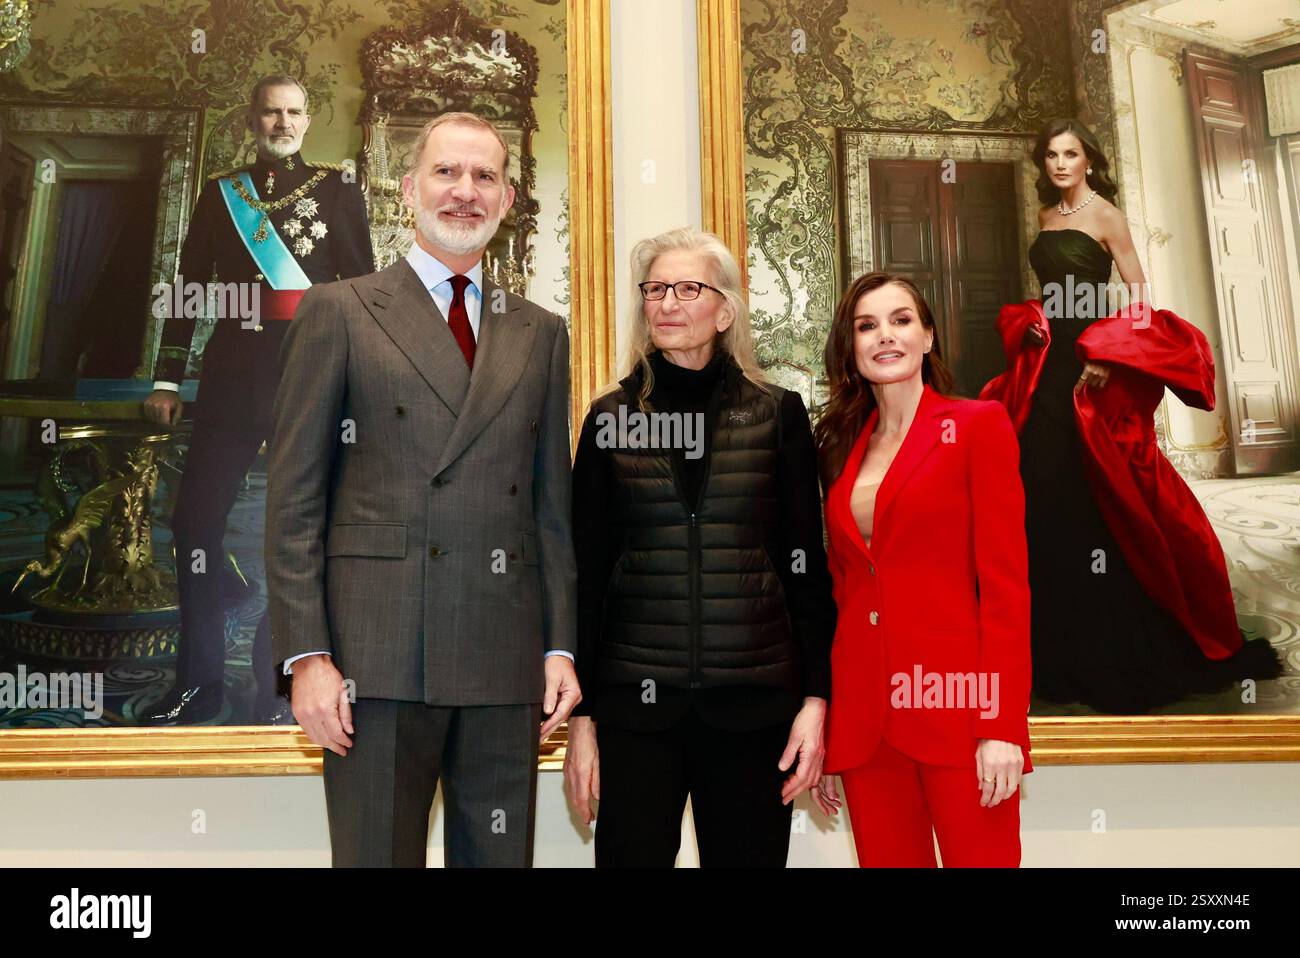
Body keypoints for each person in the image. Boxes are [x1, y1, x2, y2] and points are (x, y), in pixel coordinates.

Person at [264, 112, 580, 867]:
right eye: (447, 172)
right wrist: (308, 656)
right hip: (375, 656)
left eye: (484, 177)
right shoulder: (340, 310)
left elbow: (550, 508)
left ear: (507, 201)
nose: (464, 191)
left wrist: (561, 645)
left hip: (504, 660)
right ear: (408, 190)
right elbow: (294, 499)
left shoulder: (539, 331)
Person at [980, 118, 1279, 714]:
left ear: (1088, 160)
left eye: (1070, 154)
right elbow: (1059, 292)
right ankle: (1052, 647)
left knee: (1097, 490)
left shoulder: (1106, 215)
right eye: (1050, 155)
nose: (1059, 164)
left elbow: (1139, 294)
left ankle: (1115, 642)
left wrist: (1111, 353)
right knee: (1040, 487)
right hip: (1047, 361)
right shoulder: (1045, 219)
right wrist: (1039, 322)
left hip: (1092, 362)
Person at [563, 227, 835, 867]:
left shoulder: (777, 414)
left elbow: (806, 569)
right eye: (655, 289)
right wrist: (584, 720)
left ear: (725, 310)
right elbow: (587, 573)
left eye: (688, 289)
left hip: (753, 708)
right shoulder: (609, 419)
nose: (667, 303)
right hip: (637, 710)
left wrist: (817, 702)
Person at [141, 75, 374, 725]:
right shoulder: (222, 195)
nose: (283, 123)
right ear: (251, 119)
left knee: (298, 533)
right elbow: (189, 288)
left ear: (308, 120)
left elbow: (361, 292)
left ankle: (278, 683)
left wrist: (364, 381)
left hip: (312, 375)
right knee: (194, 524)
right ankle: (198, 683)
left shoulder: (338, 189)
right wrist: (166, 379)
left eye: (294, 112)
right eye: (271, 112)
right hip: (232, 376)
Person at [812, 272, 1031, 868]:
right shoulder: (838, 443)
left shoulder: (977, 426)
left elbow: (1006, 588)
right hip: (865, 725)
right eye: (867, 325)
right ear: (851, 347)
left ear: (928, 336)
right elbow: (841, 590)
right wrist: (832, 726)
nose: (885, 335)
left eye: (901, 319)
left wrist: (1002, 724)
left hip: (960, 716)